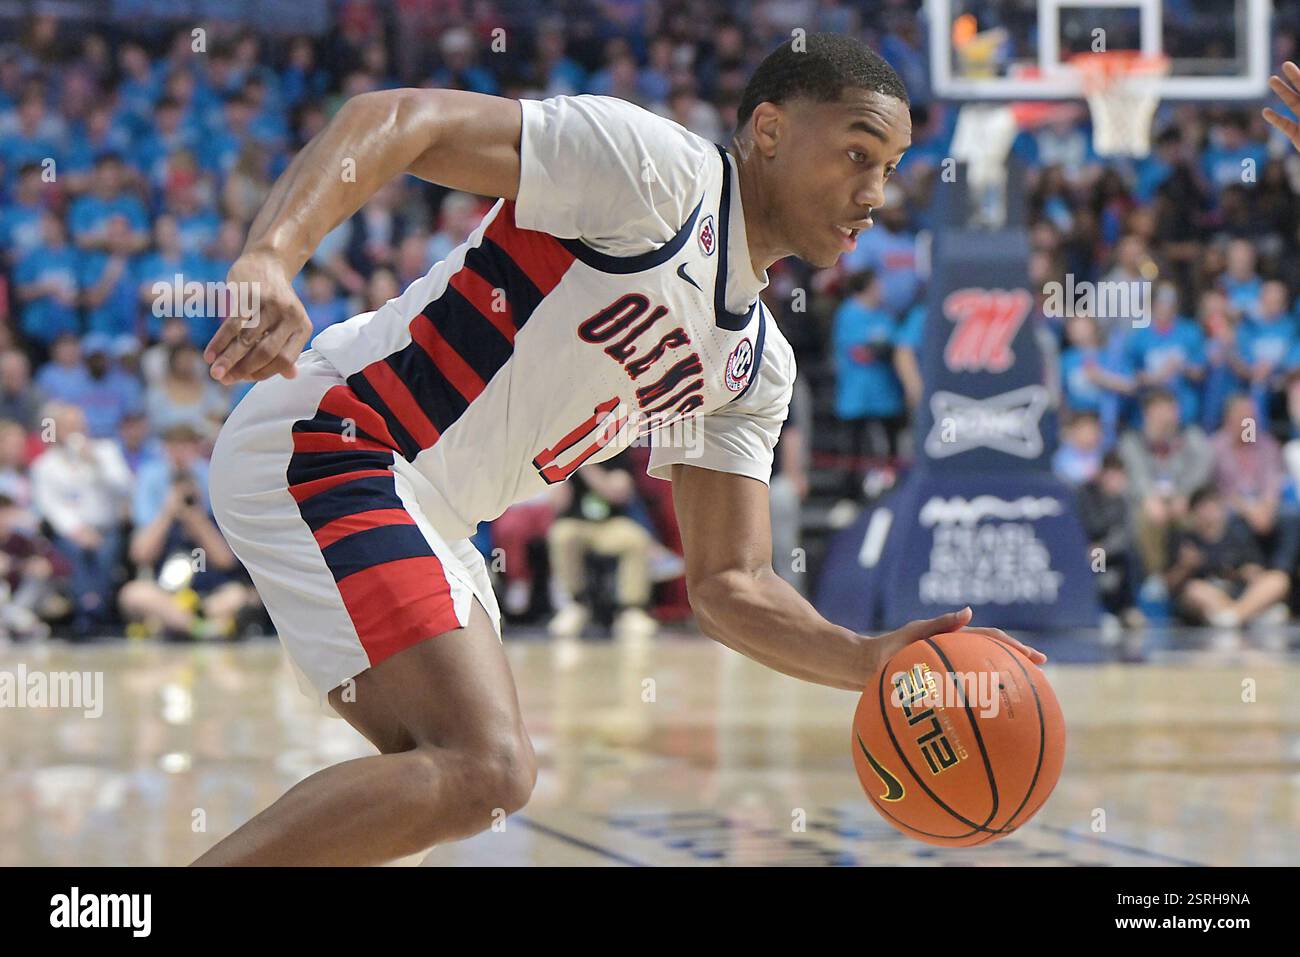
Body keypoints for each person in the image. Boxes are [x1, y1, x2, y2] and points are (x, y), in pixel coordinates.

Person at [196, 34, 1042, 866]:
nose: (874, 193)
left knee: (428, 796)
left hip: (435, 517)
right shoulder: (655, 175)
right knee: (486, 767)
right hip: (343, 438)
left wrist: (860, 659)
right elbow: (401, 117)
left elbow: (729, 584)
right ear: (772, 130)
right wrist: (273, 255)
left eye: (889, 169)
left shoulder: (754, 367)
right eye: (858, 153)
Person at [546, 449, 658, 642]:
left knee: (636, 539)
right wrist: (563, 472)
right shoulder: (563, 456)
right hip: (577, 524)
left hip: (610, 524)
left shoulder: (618, 454)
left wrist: (585, 463)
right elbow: (557, 504)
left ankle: (631, 610)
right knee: (561, 535)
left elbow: (617, 492)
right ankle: (576, 604)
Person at [1164, 486, 1289, 628]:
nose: (1210, 513)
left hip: (1239, 592)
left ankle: (1234, 616)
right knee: (1194, 590)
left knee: (1278, 579)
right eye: (1204, 508)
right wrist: (1185, 567)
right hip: (1208, 595)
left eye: (1214, 506)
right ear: (1193, 512)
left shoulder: (1238, 535)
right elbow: (1168, 585)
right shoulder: (1183, 539)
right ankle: (1249, 615)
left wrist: (1248, 573)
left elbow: (1256, 570)